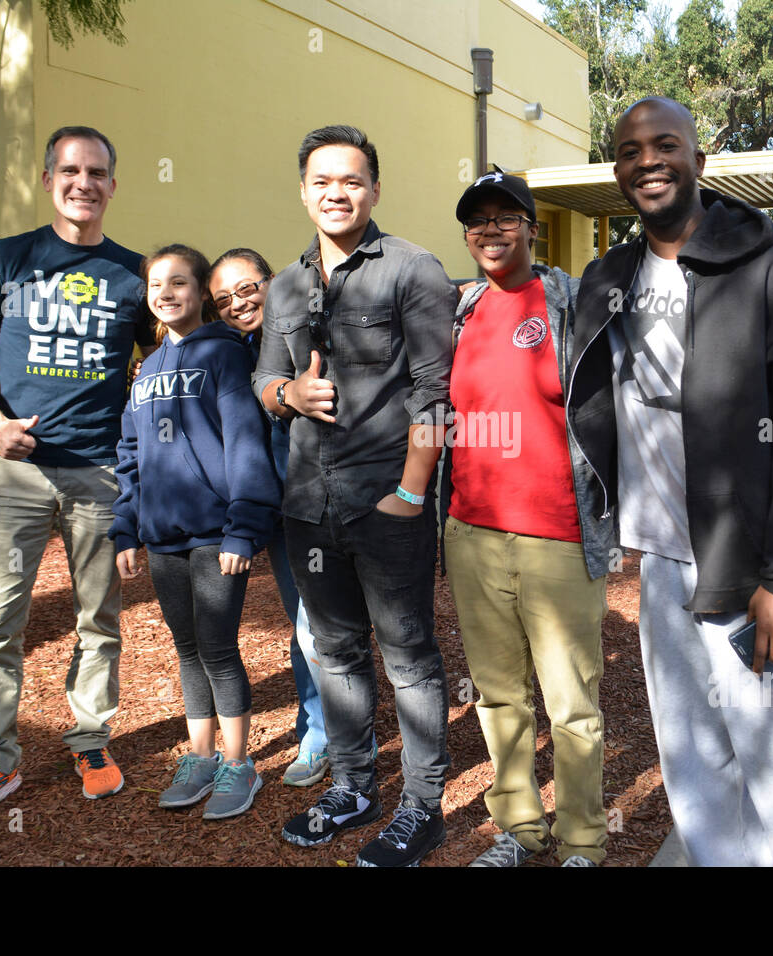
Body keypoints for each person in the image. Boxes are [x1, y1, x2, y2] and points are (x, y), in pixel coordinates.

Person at [568, 97, 773, 866]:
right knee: (696, 782)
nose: (647, 161)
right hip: (663, 569)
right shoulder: (610, 277)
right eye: (629, 151)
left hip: (760, 571)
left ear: (699, 158)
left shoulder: (772, 269)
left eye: (666, 145)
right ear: (617, 170)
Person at [252, 125, 456, 867]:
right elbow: (263, 382)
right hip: (307, 504)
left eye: (352, 180)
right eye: (321, 180)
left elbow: (437, 396)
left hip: (386, 503)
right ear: (303, 190)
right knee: (333, 652)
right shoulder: (285, 285)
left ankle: (422, 808)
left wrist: (410, 493)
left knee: (408, 658)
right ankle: (354, 787)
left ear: (374, 188)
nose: (336, 192)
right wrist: (289, 392)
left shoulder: (414, 270)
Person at [0, 126, 151, 826]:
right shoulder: (6, 259)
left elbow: (165, 359)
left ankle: (90, 739)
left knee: (99, 618)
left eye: (97, 171)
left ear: (113, 185)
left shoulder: (133, 273)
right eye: (69, 170)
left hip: (98, 474)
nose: (83, 182)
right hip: (13, 472)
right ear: (48, 180)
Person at [442, 173, 615, 867]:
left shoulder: (572, 301)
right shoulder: (462, 308)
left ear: (532, 228)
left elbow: (616, 402)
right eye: (477, 220)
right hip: (471, 531)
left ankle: (583, 842)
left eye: (505, 218)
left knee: (572, 705)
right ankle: (519, 828)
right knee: (498, 696)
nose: (490, 230)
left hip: (558, 534)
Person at [111, 244, 280, 819]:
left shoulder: (224, 355)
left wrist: (242, 529)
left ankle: (239, 764)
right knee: (187, 650)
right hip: (161, 538)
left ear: (201, 292)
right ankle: (201, 756)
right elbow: (130, 453)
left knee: (218, 648)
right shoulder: (148, 368)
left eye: (180, 282)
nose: (166, 292)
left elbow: (245, 443)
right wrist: (125, 529)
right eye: (157, 283)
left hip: (215, 534)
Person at [209, 247, 349, 787]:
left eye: (247, 288)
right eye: (223, 299)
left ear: (272, 283)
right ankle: (321, 728)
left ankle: (334, 732)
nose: (238, 303)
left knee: (326, 626)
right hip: (267, 509)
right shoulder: (228, 352)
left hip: (320, 498)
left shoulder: (308, 335)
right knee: (305, 623)